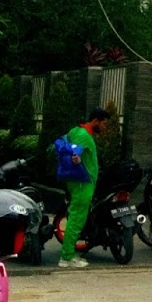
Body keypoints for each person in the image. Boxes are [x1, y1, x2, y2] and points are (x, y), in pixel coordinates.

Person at [59, 108, 110, 269]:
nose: (105, 127)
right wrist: (76, 157)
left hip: (79, 182)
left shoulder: (76, 131)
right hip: (82, 183)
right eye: (104, 123)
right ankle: (67, 257)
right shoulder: (83, 135)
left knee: (76, 217)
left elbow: (67, 145)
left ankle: (68, 254)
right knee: (76, 219)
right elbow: (75, 152)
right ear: (95, 121)